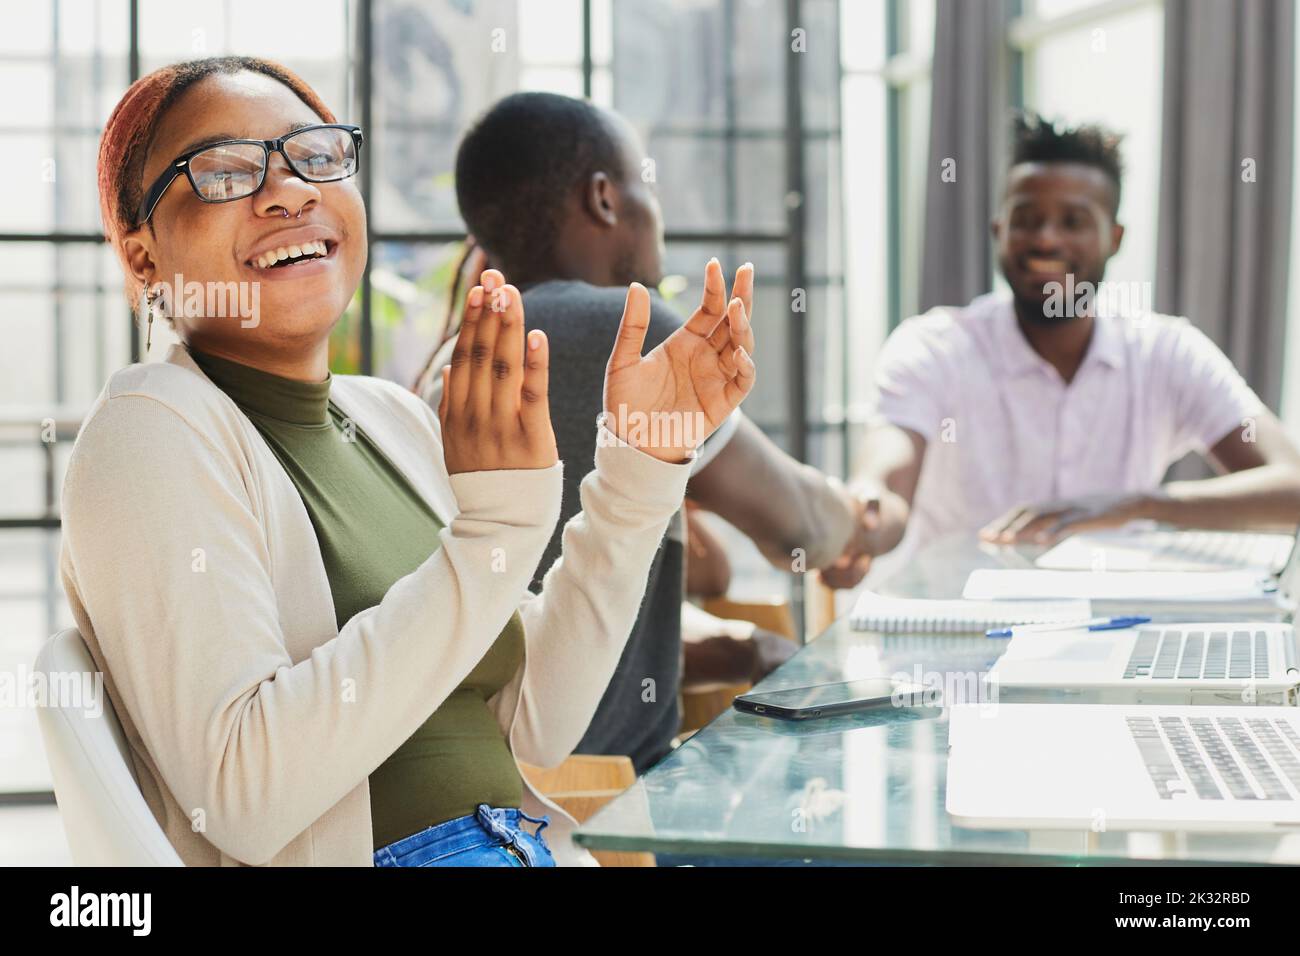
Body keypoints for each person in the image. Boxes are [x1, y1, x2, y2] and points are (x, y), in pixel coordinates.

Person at [63, 56, 757, 867]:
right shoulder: (148, 430)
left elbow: (534, 721)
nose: (289, 190)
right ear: (143, 258)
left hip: (524, 844)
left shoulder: (387, 418)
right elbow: (243, 796)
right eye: (223, 172)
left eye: (315, 156)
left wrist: (639, 472)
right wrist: (493, 530)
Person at [414, 92, 878, 773]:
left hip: (495, 772)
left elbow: (665, 577)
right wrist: (865, 516)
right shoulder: (625, 329)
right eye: (647, 186)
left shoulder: (457, 364)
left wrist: (741, 643)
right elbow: (802, 530)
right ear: (604, 199)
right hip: (608, 792)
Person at [830, 112, 1300, 586]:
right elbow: (886, 482)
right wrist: (861, 519)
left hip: (1114, 628)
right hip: (955, 634)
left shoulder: (1166, 352)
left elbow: (1292, 487)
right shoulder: (933, 347)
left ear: (1114, 238)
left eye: (1072, 221)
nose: (1046, 239)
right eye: (1027, 220)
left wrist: (1136, 504)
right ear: (999, 231)